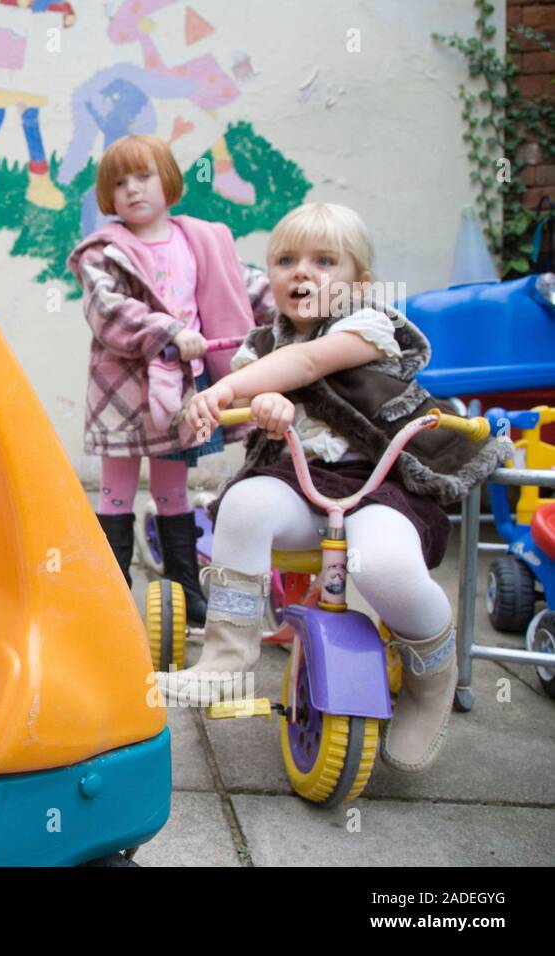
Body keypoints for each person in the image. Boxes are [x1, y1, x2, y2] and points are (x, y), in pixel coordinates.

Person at [170, 202, 505, 773]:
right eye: (286, 260)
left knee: (384, 568)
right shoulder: (260, 349)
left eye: (325, 261)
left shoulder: (369, 325)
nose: (303, 272)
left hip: (381, 480)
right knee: (245, 505)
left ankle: (432, 674)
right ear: (268, 274)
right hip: (298, 481)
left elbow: (306, 364)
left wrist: (236, 391)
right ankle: (226, 655)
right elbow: (257, 395)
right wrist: (255, 407)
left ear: (359, 283)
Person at [66, 133, 274, 623]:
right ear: (109, 196)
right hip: (122, 389)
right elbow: (108, 311)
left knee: (172, 489)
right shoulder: (103, 252)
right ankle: (111, 597)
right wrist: (170, 329)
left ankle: (184, 589)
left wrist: (293, 312)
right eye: (120, 183)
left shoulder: (202, 239)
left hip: (182, 389)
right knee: (115, 489)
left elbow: (244, 289)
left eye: (144, 176)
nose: (133, 190)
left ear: (169, 182)